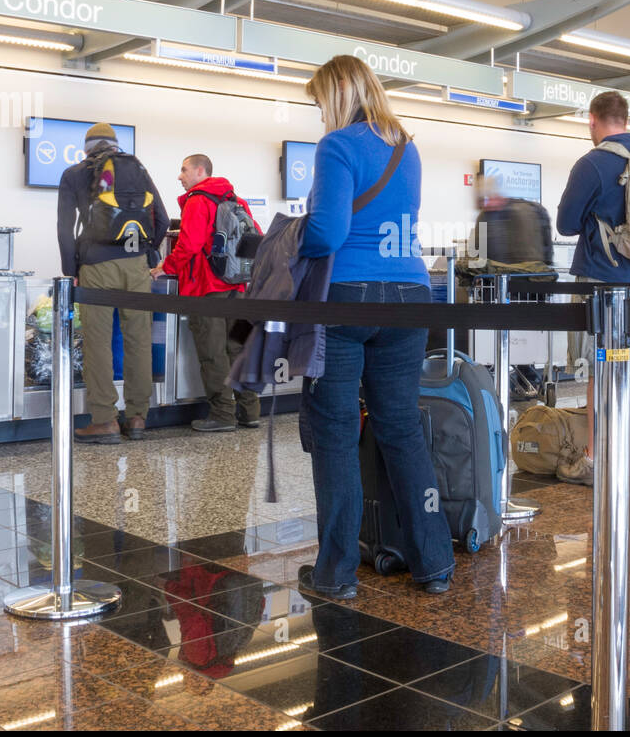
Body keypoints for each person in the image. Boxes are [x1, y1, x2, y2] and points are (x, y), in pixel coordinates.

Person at [296, 54, 455, 600]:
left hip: (347, 298)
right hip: (410, 296)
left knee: (337, 434)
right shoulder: (405, 147)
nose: (320, 113)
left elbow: (327, 234)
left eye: (321, 101)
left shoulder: (336, 146)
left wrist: (295, 234)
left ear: (337, 94)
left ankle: (335, 574)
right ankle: (433, 562)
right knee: (402, 428)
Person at [555, 90, 630, 485]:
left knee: (599, 366)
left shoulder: (592, 163)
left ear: (593, 121)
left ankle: (595, 458)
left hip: (601, 279)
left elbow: (566, 224)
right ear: (626, 120)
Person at [57, 123, 168, 444]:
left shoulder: (74, 173)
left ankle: (104, 420)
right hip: (136, 268)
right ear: (116, 146)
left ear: (87, 147)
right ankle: (137, 418)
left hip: (96, 266)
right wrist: (146, 254)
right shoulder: (137, 169)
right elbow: (160, 218)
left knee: (98, 342)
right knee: (138, 340)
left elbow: (64, 228)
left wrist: (71, 269)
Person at [151, 154, 262, 433]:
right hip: (237, 287)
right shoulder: (236, 200)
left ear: (200, 171)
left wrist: (166, 267)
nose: (180, 176)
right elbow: (257, 236)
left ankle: (223, 415)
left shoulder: (198, 200)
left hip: (206, 287)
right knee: (239, 349)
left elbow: (189, 244)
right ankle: (250, 412)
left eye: (184, 169)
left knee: (213, 353)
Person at [470, 173, 554, 270]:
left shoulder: (528, 211)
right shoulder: (484, 217)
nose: (486, 204)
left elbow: (478, 255)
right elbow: (479, 253)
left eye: (487, 198)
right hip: (516, 276)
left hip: (524, 276)